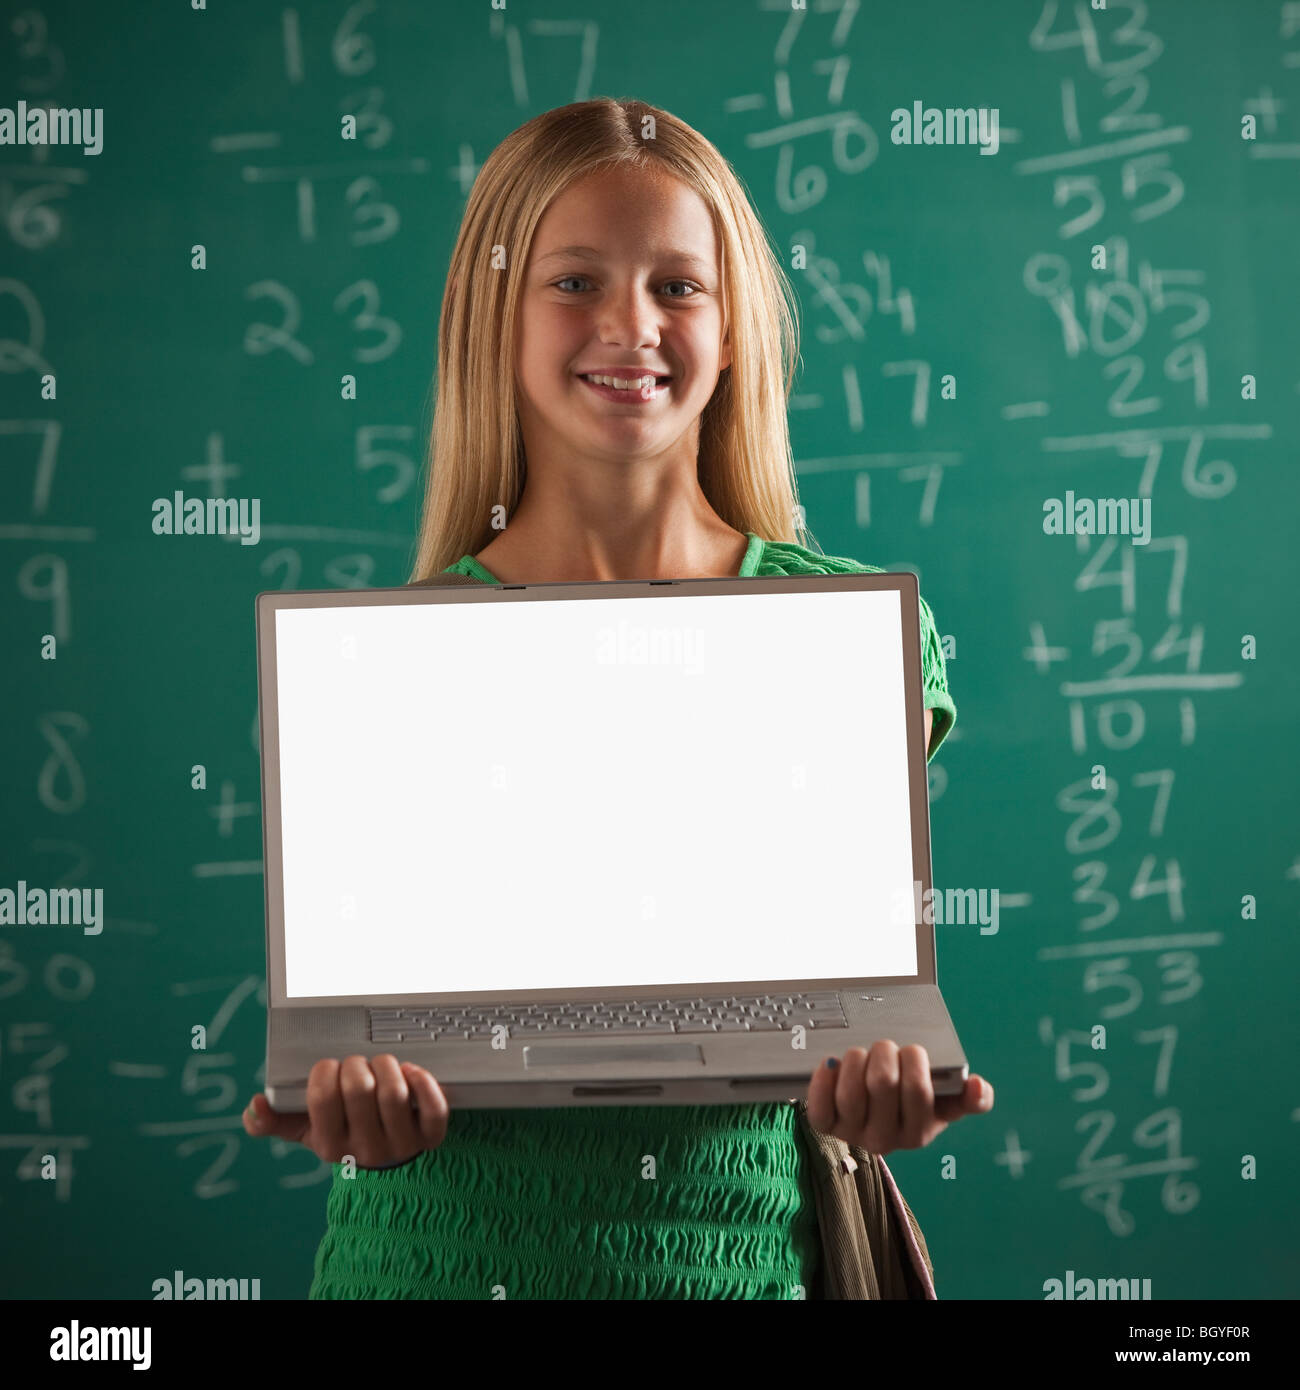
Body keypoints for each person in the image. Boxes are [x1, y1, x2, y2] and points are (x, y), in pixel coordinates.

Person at [243, 97, 993, 1299]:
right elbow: (360, 1022)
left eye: (678, 287)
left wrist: (881, 1084)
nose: (630, 326)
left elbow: (855, 993)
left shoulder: (849, 636)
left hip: (729, 1260)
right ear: (492, 320)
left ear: (735, 325)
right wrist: (352, 1094)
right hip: (426, 1262)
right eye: (575, 281)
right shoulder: (389, 669)